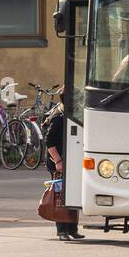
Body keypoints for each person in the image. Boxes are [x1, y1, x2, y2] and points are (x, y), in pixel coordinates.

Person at [44, 102, 84, 241]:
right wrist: (58, 162)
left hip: (71, 161)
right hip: (58, 163)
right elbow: (49, 142)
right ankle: (62, 230)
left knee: (73, 194)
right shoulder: (58, 117)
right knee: (60, 197)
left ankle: (73, 229)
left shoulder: (72, 114)